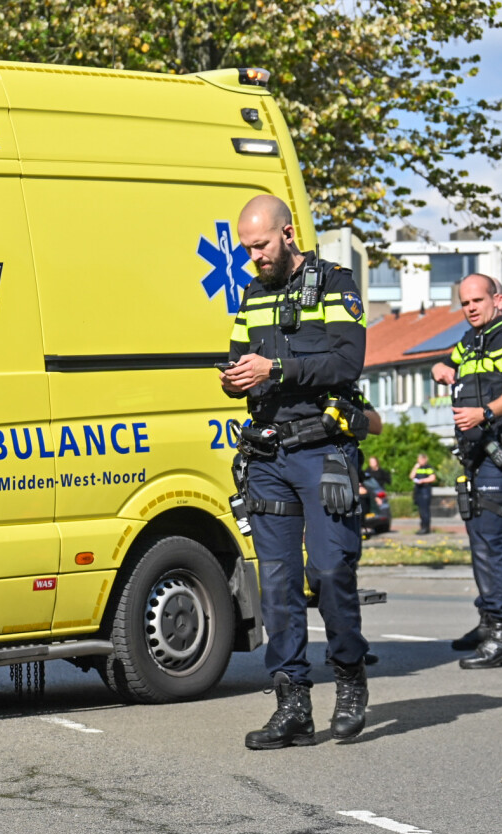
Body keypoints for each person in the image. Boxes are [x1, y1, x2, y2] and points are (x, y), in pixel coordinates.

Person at [222, 193, 371, 748]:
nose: (253, 257)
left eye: (259, 245)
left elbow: (346, 361)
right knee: (278, 585)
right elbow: (240, 356)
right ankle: (292, 706)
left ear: (287, 234)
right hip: (268, 455)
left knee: (330, 570)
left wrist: (276, 367)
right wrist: (235, 377)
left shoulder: (336, 283)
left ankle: (351, 681)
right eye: (247, 248)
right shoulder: (252, 293)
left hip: (323, 449)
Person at [429, 273, 502, 668]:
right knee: (491, 543)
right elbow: (448, 363)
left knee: (495, 545)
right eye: (464, 303)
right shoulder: (472, 341)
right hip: (478, 457)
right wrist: (441, 369)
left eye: (477, 300)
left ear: (499, 298)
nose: (471, 308)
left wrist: (485, 412)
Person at [409, 453, 438, 534]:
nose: (419, 461)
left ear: (425, 459)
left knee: (425, 510)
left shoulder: (428, 468)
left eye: (421, 459)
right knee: (421, 511)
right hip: (418, 491)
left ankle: (426, 528)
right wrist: (415, 467)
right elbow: (411, 476)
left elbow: (432, 478)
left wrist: (423, 481)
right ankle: (422, 527)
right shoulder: (418, 468)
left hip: (425, 490)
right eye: (418, 459)